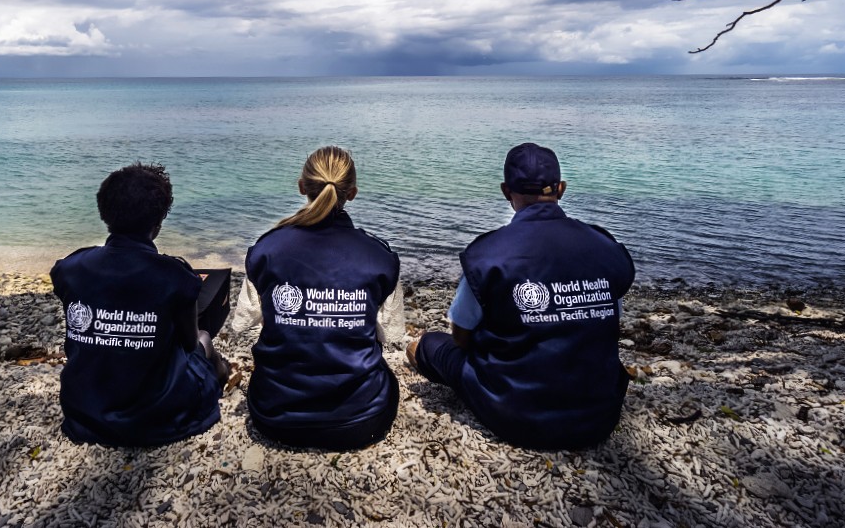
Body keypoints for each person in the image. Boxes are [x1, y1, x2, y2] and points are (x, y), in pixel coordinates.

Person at [408, 143, 635, 450]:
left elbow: (461, 337)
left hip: (517, 415)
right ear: (561, 189)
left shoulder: (488, 255)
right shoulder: (604, 247)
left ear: (506, 191)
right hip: (597, 415)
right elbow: (611, 323)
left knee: (427, 345)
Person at [51, 163, 230, 447]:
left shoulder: (70, 268)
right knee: (203, 338)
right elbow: (187, 343)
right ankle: (220, 377)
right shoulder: (175, 275)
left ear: (104, 214)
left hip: (85, 411)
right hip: (156, 418)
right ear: (157, 224)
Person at [245, 146, 400, 451]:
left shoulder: (266, 251)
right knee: (386, 377)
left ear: (302, 187)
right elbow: (390, 332)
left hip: (276, 415)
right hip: (361, 421)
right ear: (352, 193)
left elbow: (245, 320)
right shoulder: (379, 257)